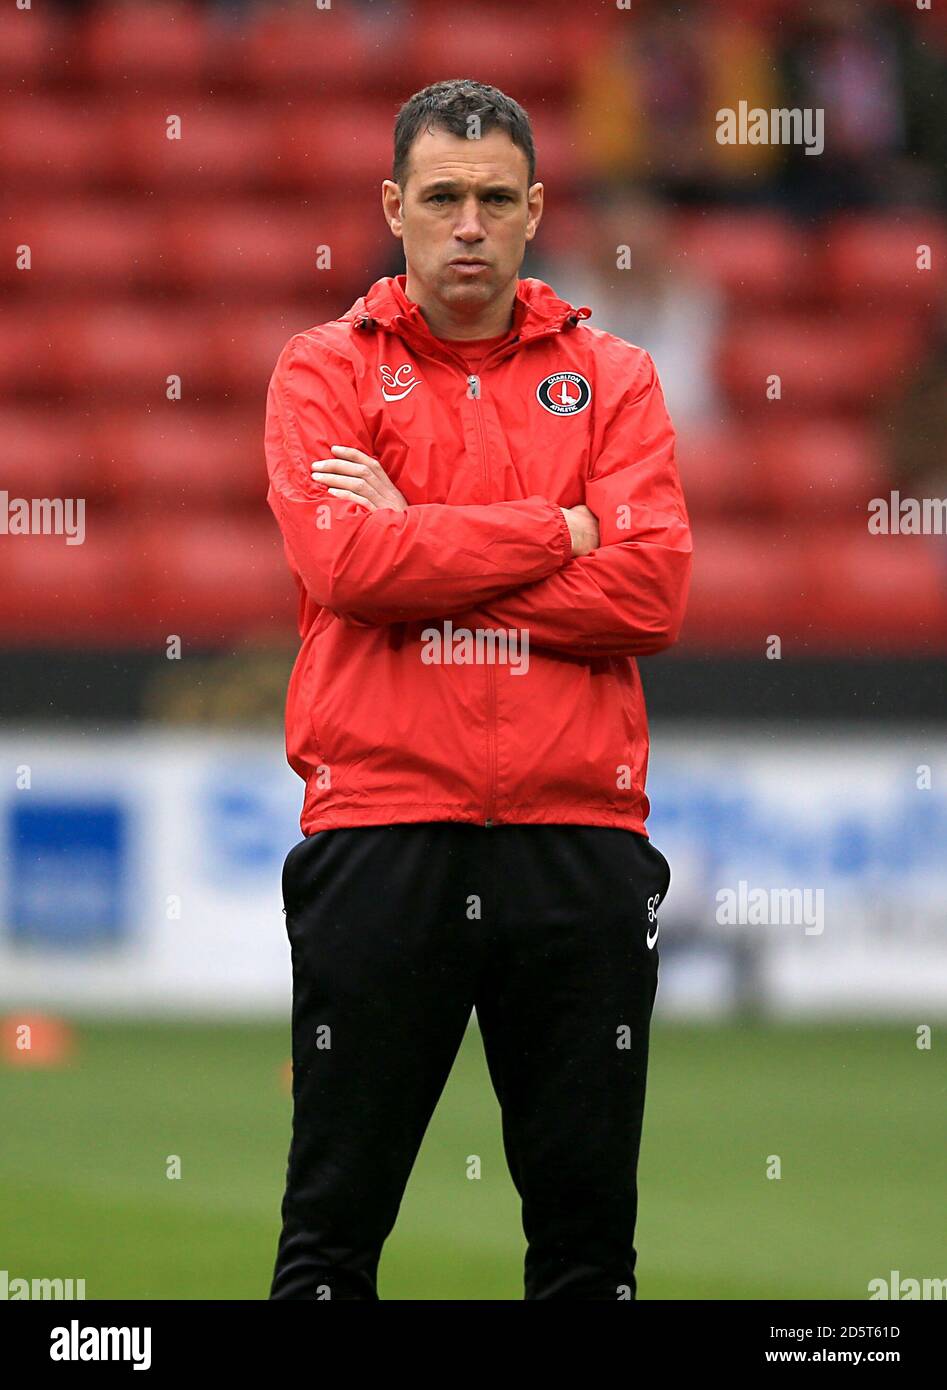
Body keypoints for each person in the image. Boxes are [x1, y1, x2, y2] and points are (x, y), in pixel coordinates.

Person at [264, 78, 693, 1301]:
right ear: (393, 206)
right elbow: (347, 565)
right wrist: (563, 529)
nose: (468, 224)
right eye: (442, 198)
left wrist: (429, 548)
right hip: (382, 834)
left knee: (585, 1252)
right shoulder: (320, 371)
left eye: (493, 199)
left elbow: (650, 596)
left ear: (535, 208)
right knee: (330, 1239)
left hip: (577, 845)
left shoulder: (613, 376)